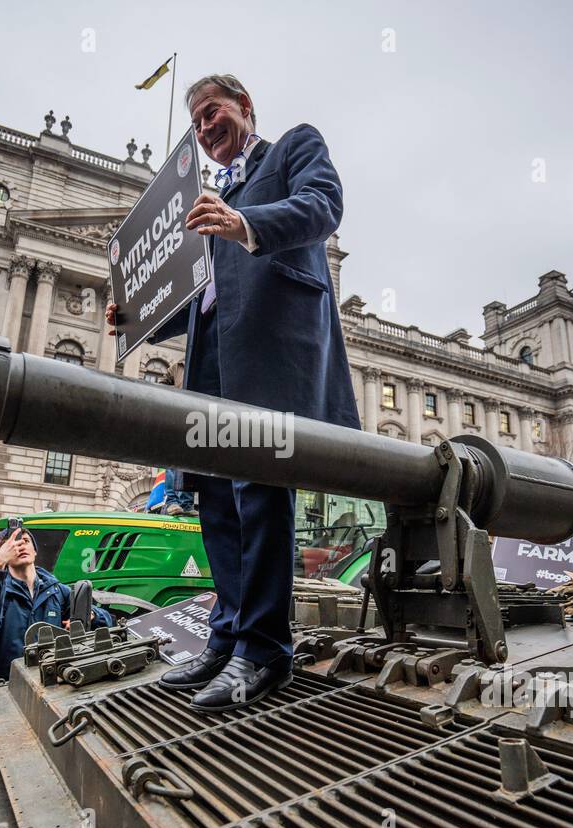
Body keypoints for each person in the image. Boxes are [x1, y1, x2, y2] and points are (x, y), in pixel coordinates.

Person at [105, 73, 357, 711]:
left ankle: (266, 648)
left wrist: (244, 220)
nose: (204, 126)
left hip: (271, 349)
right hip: (213, 353)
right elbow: (201, 291)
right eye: (195, 121)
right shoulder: (203, 199)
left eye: (212, 111)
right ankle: (226, 639)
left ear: (244, 107)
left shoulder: (292, 149)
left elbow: (323, 207)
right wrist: (139, 318)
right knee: (213, 495)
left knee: (258, 490)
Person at [0, 526, 113, 683]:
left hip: (51, 682)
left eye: (26, 541)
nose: (20, 545)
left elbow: (106, 623)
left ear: (35, 550)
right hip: (7, 685)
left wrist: (92, 616)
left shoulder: (58, 591)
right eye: (13, 543)